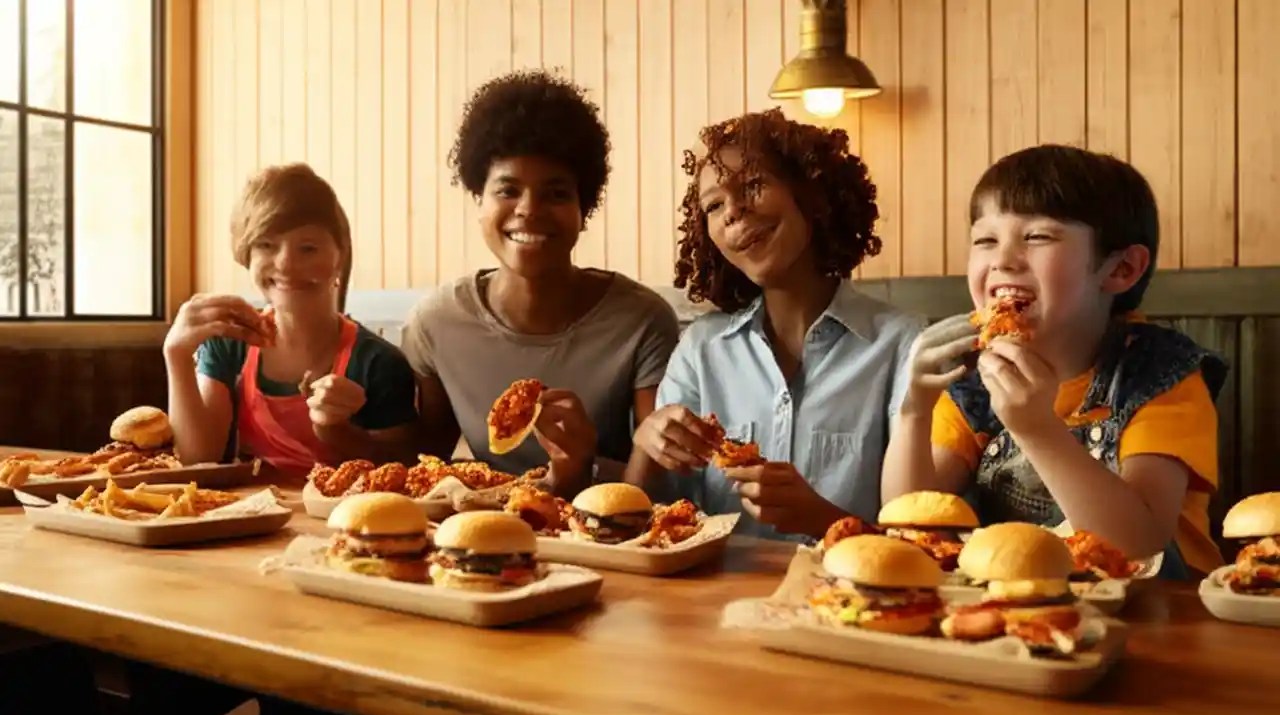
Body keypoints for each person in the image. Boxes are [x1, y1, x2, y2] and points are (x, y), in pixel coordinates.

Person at [880, 144, 1227, 579]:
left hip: (1166, 614)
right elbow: (908, 520)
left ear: (1121, 269)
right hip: (1023, 610)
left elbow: (1138, 546)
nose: (1003, 260)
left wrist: (1037, 428)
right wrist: (914, 409)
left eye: (1037, 236)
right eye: (985, 240)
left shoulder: (1160, 374)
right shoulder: (974, 377)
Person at [623, 108, 924, 541]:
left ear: (812, 193)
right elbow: (645, 520)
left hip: (854, 598)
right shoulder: (700, 349)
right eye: (713, 205)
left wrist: (821, 519)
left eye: (752, 185)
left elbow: (922, 541)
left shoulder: (902, 344)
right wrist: (647, 444)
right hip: (712, 602)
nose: (733, 212)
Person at [401, 69, 680, 497]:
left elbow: (660, 478)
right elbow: (424, 465)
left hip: (603, 534)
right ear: (479, 199)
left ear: (583, 211)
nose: (529, 210)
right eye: (507, 190)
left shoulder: (642, 321)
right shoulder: (437, 324)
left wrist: (580, 470)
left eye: (556, 194)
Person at [163, 163, 419, 481]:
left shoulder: (378, 363)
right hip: (246, 520)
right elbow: (198, 459)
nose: (285, 263)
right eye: (266, 245)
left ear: (340, 256)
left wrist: (336, 431)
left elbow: (401, 474)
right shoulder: (230, 343)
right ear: (246, 253)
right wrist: (175, 355)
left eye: (308, 248)